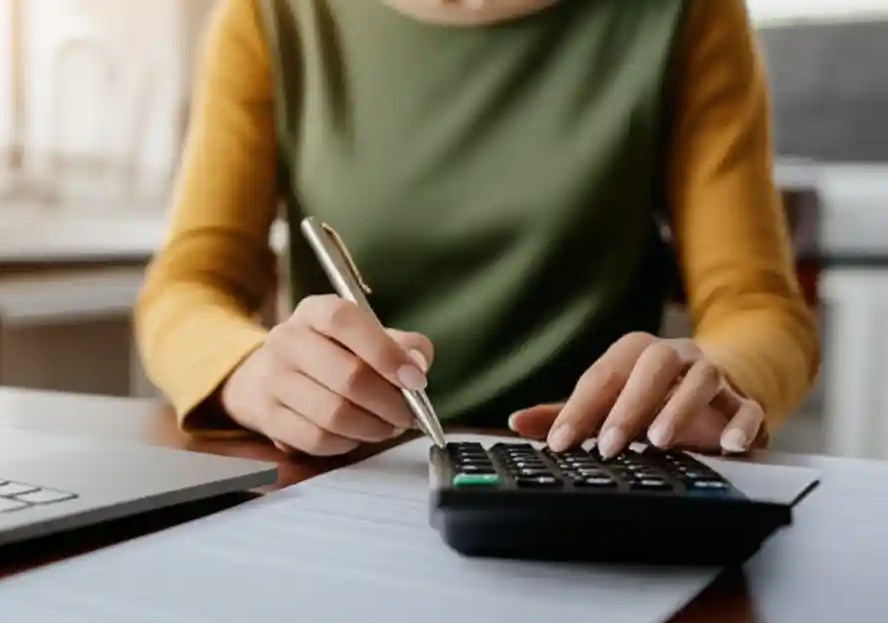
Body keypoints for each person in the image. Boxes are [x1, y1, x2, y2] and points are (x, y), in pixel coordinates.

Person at [134, 0, 819, 458]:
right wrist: (248, 373)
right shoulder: (272, 14)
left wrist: (715, 383)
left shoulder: (687, 13)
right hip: (343, 477)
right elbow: (189, 284)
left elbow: (759, 307)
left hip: (592, 476)